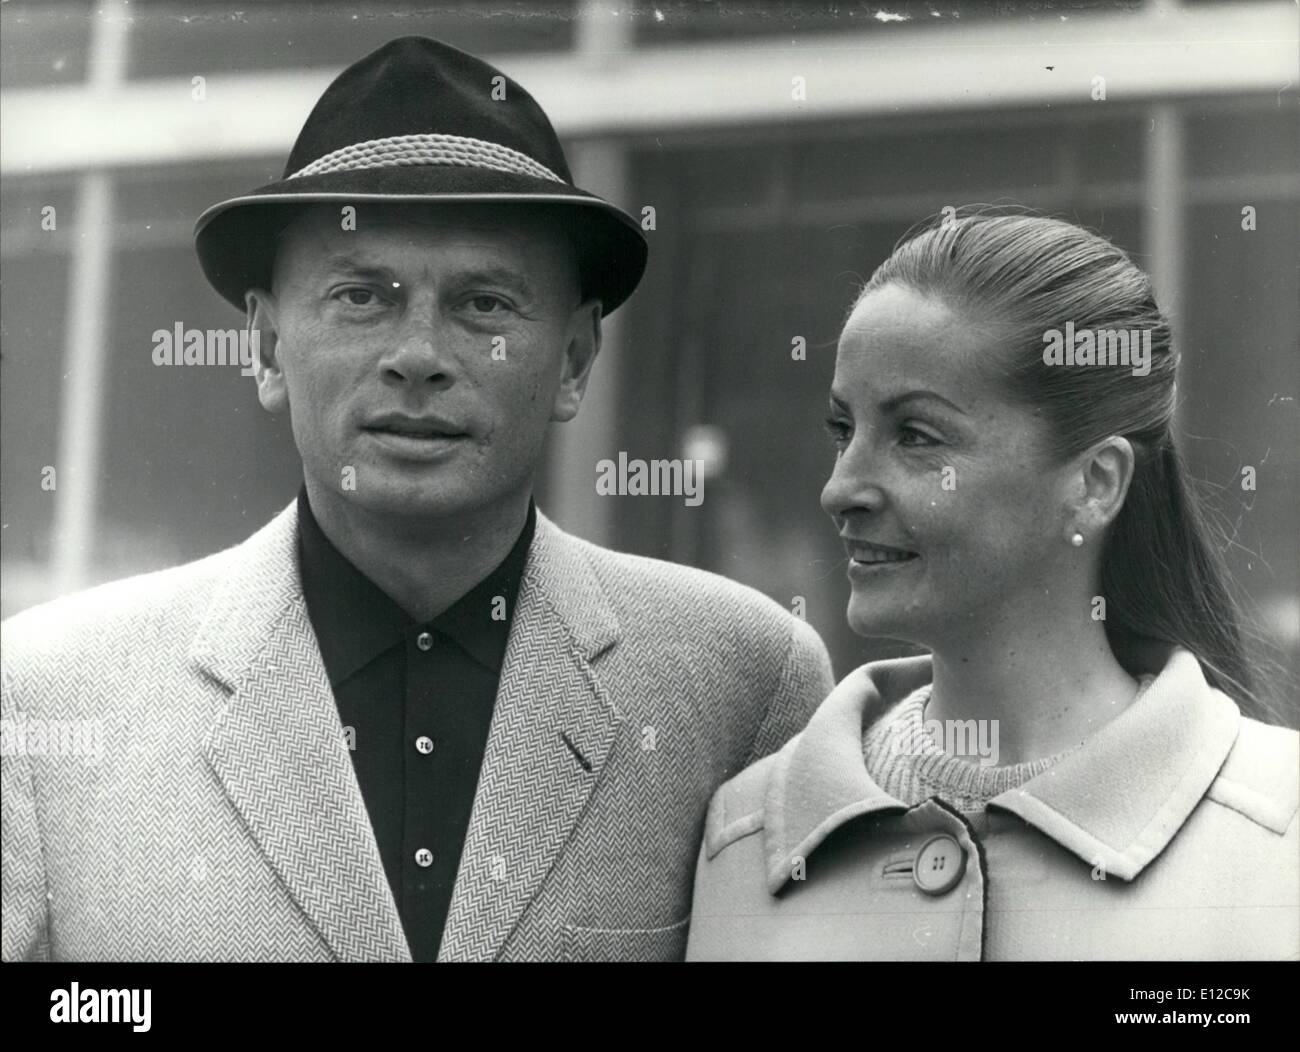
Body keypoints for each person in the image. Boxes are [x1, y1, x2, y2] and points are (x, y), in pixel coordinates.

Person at [0, 37, 834, 963]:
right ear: (268, 348)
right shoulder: (47, 696)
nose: (419, 356)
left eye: (485, 305)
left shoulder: (741, 680)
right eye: (362, 296)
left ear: (573, 361)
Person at [686, 207, 1299, 960]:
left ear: (1095, 483)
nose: (840, 489)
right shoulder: (739, 843)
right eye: (844, 430)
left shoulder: (1280, 834)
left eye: (916, 436)